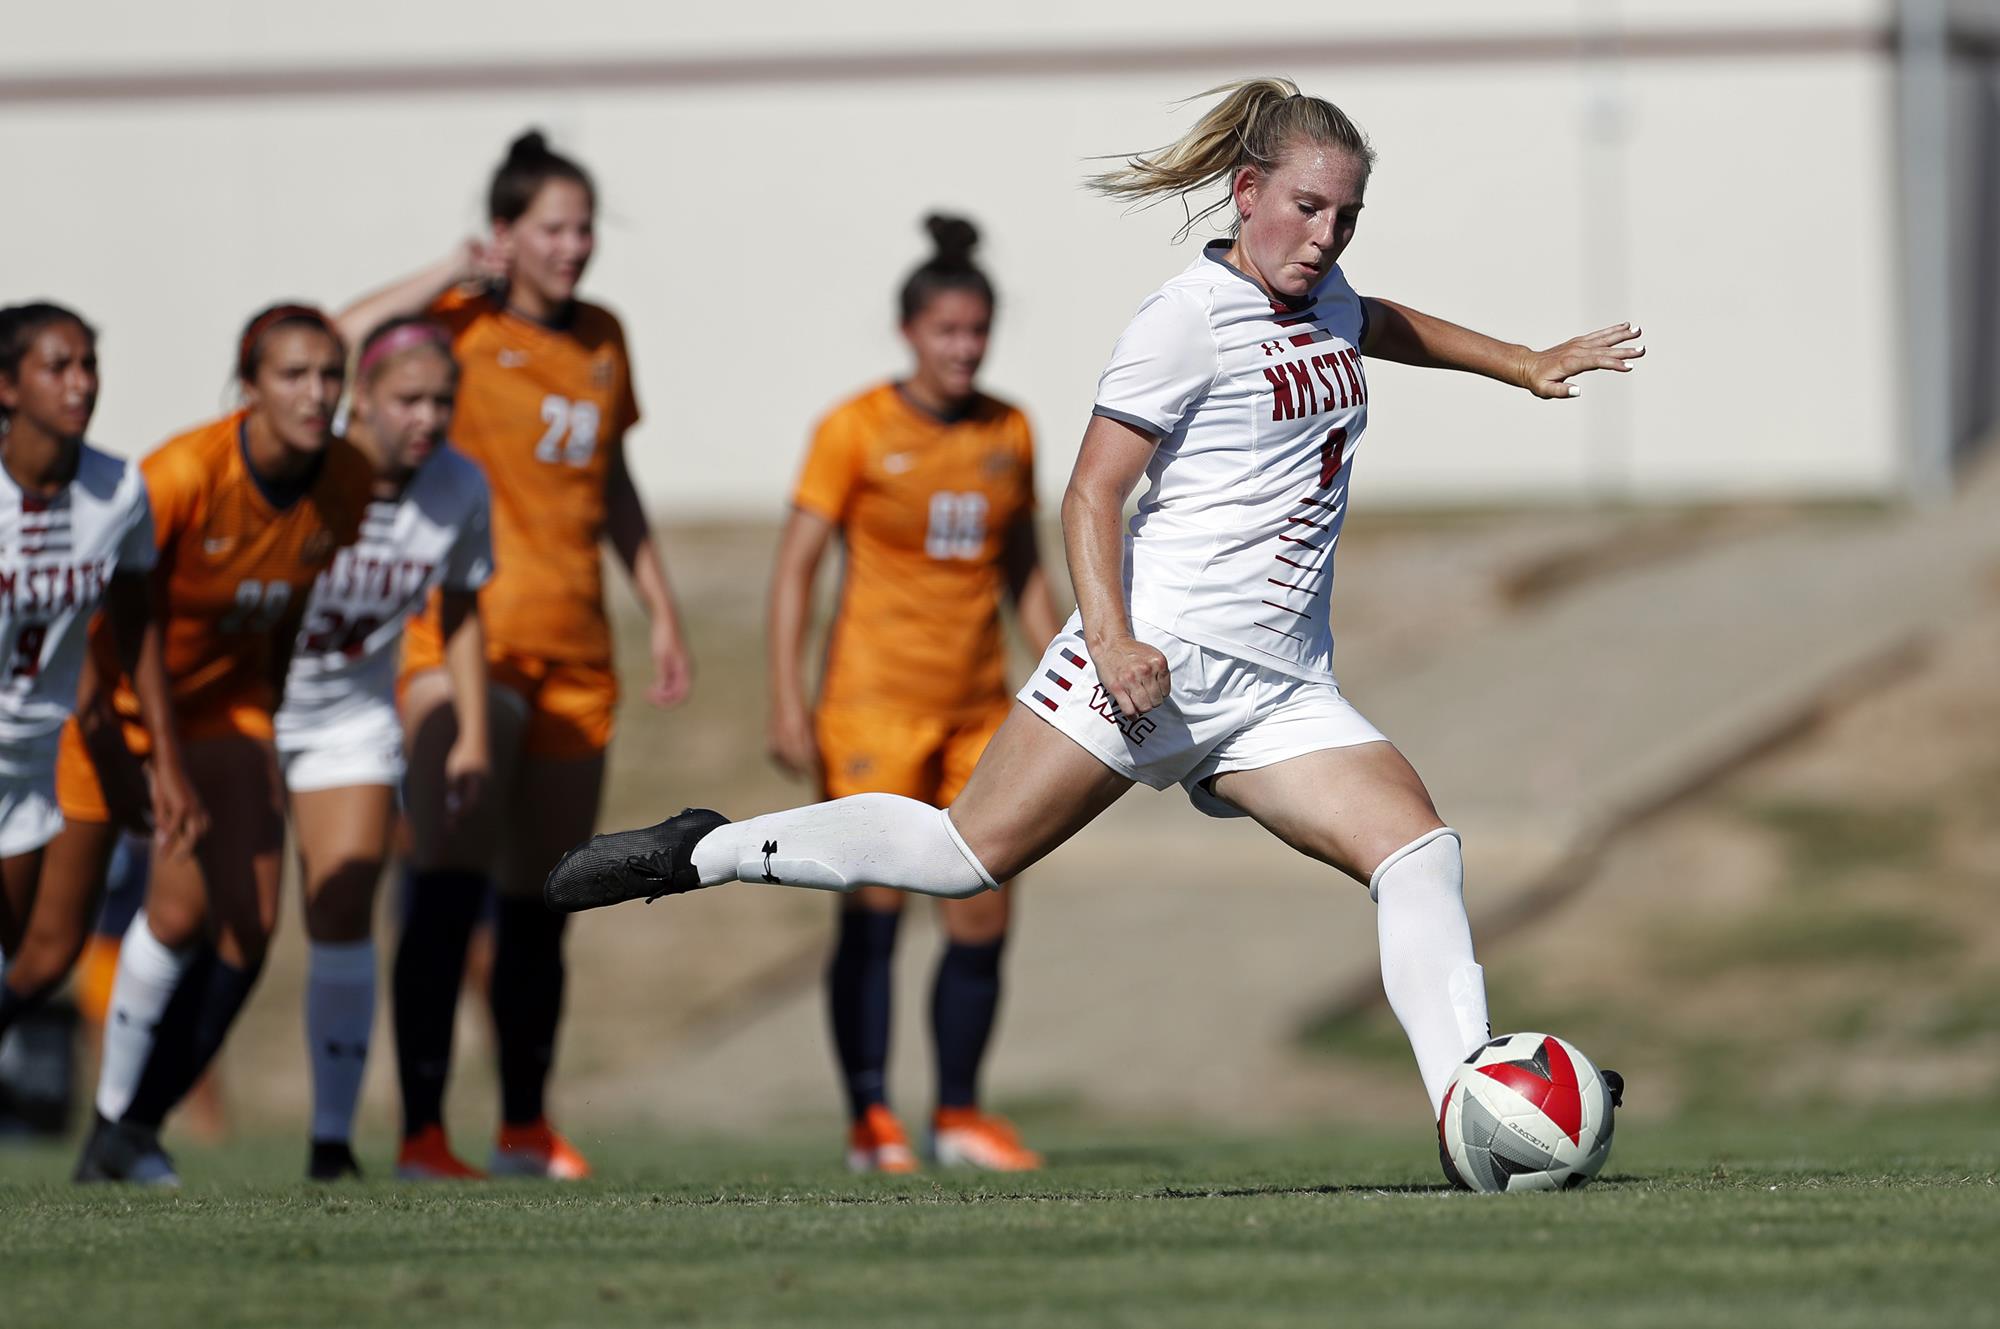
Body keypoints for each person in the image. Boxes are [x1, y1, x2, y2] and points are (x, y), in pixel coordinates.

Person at [544, 79, 1644, 1167]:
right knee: (961, 858)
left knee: (1418, 853)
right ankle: (709, 848)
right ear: (1246, 191)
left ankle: (1465, 1116)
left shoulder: (1327, 294)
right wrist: (1111, 642)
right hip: (1153, 661)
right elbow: (1089, 493)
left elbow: (1376, 321)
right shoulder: (1182, 321)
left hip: (1279, 690)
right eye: (1307, 208)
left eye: (1346, 216)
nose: (1326, 236)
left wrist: (1517, 363)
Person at [337, 130, 693, 1180]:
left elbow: (609, 479)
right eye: (552, 228)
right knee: (446, 881)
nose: (574, 247)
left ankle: (526, 1128)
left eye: (584, 228)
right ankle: (421, 1132)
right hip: (461, 649)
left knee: (547, 896)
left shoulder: (602, 337)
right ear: (505, 232)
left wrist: (659, 605)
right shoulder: (454, 324)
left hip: (575, 652)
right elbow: (334, 342)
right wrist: (449, 270)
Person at [769, 216, 1061, 1173]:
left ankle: (960, 1115)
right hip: (870, 710)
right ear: (909, 332)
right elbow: (796, 568)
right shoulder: (853, 429)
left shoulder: (1009, 429)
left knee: (983, 908)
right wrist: (787, 699)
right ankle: (870, 1119)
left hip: (978, 713)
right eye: (947, 331)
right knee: (873, 910)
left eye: (977, 331)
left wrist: (1075, 668)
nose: (964, 348)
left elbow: (1023, 569)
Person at [72, 303, 373, 1184]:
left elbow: (292, 593)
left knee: (249, 923)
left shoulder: (345, 478)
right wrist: (125, 745)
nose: (316, 393)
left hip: (226, 711)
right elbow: (98, 607)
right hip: (115, 710)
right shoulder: (179, 475)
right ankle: (110, 1125)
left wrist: (267, 693)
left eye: (329, 375)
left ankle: (129, 1128)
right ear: (248, 386)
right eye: (293, 374)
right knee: (72, 939)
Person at [274, 316, 493, 1180]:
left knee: (344, 904)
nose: (428, 417)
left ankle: (332, 1141)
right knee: (213, 924)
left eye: (443, 399)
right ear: (358, 397)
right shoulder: (309, 468)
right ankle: (126, 1124)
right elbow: (323, 331)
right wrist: (452, 263)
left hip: (351, 719)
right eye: (408, 398)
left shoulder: (459, 484)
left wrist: (472, 731)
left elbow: (463, 606)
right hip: (249, 707)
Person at [0, 303, 202, 1043]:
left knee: (32, 957)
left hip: (30, 759)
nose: (81, 383)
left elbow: (136, 629)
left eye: (89, 364)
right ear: (7, 386)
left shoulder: (117, 489)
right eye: (57, 367)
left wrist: (163, 760)